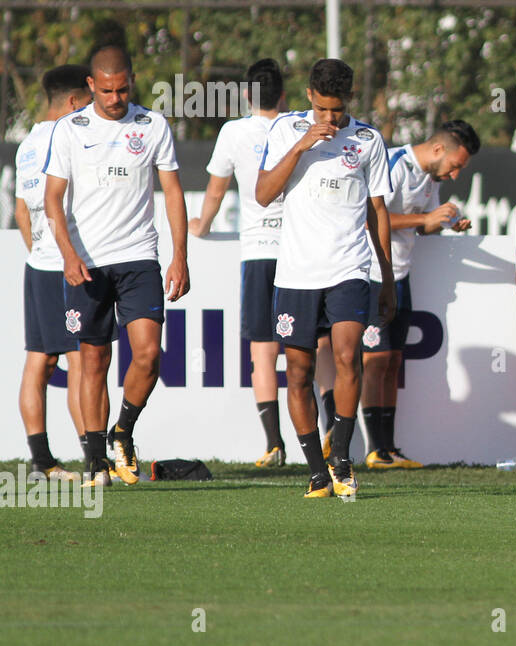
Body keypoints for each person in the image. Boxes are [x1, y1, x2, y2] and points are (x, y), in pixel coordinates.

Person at [43, 46, 191, 487]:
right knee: (93, 360)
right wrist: (68, 254)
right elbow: (52, 200)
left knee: (148, 355)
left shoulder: (152, 125)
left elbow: (174, 192)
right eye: (106, 90)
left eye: (122, 89)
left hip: (139, 257)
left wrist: (180, 255)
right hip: (88, 263)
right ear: (91, 85)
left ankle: (122, 430)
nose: (114, 98)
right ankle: (94, 462)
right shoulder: (70, 129)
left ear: (131, 80)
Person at [256, 57, 395, 499]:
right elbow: (262, 195)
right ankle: (316, 470)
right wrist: (301, 147)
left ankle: (342, 459)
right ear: (309, 98)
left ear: (348, 101)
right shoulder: (284, 131)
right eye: (322, 110)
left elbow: (378, 211)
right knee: (298, 372)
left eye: (337, 110)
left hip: (349, 267)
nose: (330, 119)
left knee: (348, 355)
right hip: (297, 272)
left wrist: (387, 275)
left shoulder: (369, 140)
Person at [359, 120, 479, 468]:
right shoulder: (394, 164)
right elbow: (370, 219)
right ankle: (374, 448)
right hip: (372, 274)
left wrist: (443, 223)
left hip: (401, 275)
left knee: (394, 361)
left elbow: (421, 227)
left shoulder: (430, 178)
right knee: (375, 361)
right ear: (439, 149)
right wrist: (427, 216)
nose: (455, 174)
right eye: (456, 166)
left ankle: (389, 448)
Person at [189, 58, 290, 467]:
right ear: (284, 96)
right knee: (316, 345)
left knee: (262, 352)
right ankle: (329, 436)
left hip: (259, 250)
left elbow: (215, 190)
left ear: (248, 95)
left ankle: (274, 444)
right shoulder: (298, 127)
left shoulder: (234, 132)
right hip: (301, 251)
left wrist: (201, 224)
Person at [15, 65, 94, 479]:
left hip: (38, 265)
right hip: (68, 266)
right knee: (81, 360)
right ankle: (94, 457)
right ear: (74, 102)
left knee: (38, 361)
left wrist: (42, 251)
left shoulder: (26, 143)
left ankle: (41, 460)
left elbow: (20, 211)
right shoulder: (70, 137)